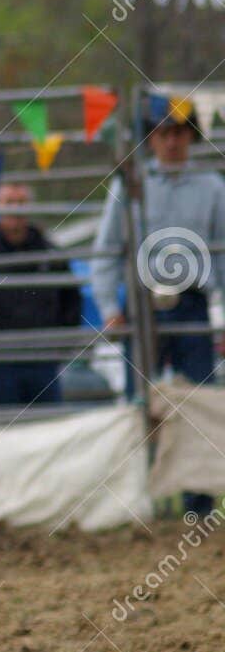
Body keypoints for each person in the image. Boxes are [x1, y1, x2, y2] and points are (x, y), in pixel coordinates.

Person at [93, 104, 225, 516]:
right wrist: (109, 305)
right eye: (164, 133)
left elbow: (223, 255)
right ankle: (136, 501)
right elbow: (107, 250)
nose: (171, 141)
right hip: (141, 304)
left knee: (198, 400)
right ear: (152, 138)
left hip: (192, 303)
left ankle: (197, 504)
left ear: (191, 138)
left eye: (180, 133)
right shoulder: (130, 185)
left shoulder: (214, 187)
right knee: (138, 402)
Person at [0, 182, 83, 406]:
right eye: (9, 203)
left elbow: (72, 300)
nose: (15, 210)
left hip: (43, 361)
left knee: (46, 430)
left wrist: (60, 346)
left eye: (21, 203)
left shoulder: (51, 253)